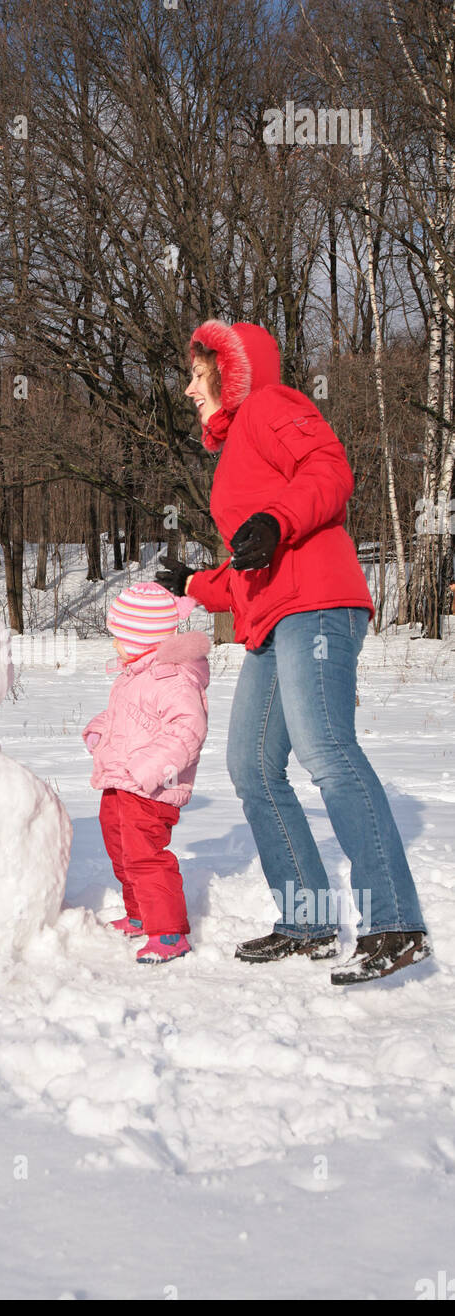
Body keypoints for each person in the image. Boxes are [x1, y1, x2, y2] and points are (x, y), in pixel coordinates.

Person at [155, 318, 430, 985]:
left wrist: (276, 521)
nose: (189, 388)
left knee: (326, 749)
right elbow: (252, 564)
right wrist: (195, 583)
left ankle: (394, 922)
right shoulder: (235, 452)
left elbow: (330, 469)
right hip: (273, 620)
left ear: (229, 368)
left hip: (317, 605)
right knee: (250, 766)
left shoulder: (274, 406)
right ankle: (306, 922)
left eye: (197, 373)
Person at [82, 582, 210, 965]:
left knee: (145, 856)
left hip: (152, 787)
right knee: (120, 850)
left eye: (120, 638)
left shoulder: (172, 679)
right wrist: (101, 729)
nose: (115, 646)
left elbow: (188, 730)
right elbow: (130, 720)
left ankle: (169, 933)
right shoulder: (135, 675)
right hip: (120, 780)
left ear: (144, 639)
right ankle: (140, 914)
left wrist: (149, 770)